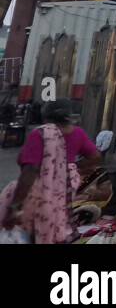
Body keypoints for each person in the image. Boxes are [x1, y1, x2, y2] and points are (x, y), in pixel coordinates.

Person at [0, 99, 101, 243]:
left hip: (36, 196)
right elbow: (95, 157)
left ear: (46, 117)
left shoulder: (41, 134)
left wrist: (15, 206)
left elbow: (30, 171)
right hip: (61, 198)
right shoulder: (78, 133)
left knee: (30, 233)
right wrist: (71, 168)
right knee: (52, 232)